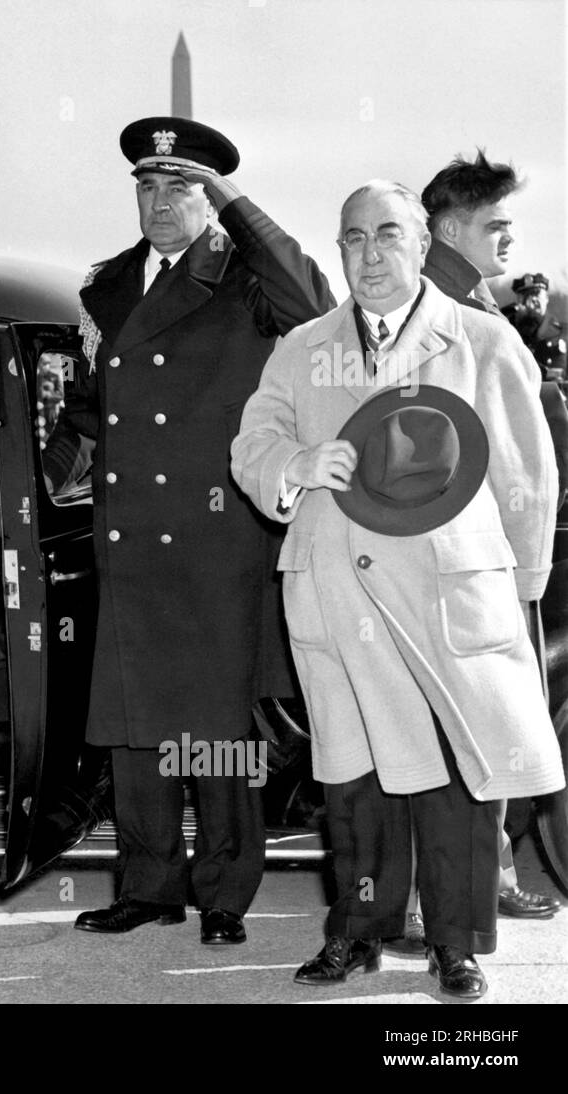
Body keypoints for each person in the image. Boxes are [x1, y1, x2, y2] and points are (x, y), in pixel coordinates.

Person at [231, 180, 564, 999]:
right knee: (354, 782)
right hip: (338, 597)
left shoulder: (482, 342)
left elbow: (528, 473)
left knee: (458, 779)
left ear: (421, 246)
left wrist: (517, 594)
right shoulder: (302, 347)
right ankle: (359, 932)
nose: (370, 254)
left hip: (451, 597)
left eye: (387, 235)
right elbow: (252, 445)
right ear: (339, 250)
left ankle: (457, 946)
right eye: (353, 239)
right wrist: (295, 467)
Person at [41, 116, 332, 943]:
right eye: (149, 185)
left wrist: (239, 209)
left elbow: (315, 305)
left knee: (215, 727)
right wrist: (25, 471)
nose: (161, 203)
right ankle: (149, 882)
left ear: (214, 199)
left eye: (183, 187)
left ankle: (225, 891)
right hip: (130, 536)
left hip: (218, 536)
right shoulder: (106, 286)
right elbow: (89, 414)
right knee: (136, 723)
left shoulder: (247, 277)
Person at [420, 152, 564, 922]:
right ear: (450, 228)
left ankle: (487, 874)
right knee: (471, 727)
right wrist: (527, 569)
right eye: (495, 224)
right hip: (478, 559)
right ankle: (465, 889)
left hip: (481, 551)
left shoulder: (464, 296)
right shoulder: (450, 309)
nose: (510, 238)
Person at [503, 273, 566, 380]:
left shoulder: (563, 334)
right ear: (518, 300)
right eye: (526, 295)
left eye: (537, 294)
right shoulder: (506, 328)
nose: (533, 300)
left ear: (546, 299)